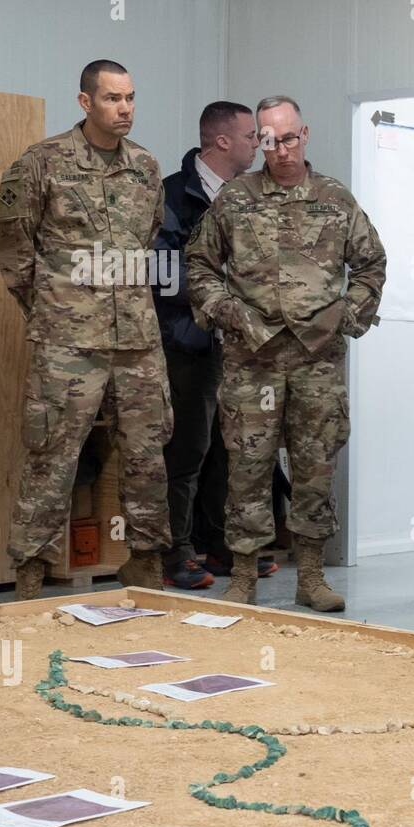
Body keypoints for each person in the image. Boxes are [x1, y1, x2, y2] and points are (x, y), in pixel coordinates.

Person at [187, 95, 387, 609]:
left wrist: (343, 316)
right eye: (269, 139)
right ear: (260, 140)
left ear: (306, 133)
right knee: (247, 468)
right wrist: (231, 314)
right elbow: (200, 267)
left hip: (317, 362)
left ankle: (312, 576)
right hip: (252, 362)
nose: (281, 149)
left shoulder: (336, 200)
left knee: (315, 467)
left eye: (290, 136)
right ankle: (245, 576)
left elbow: (371, 265)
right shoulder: (235, 199)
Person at [0, 59, 170, 598]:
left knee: (147, 453)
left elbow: (148, 242)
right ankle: (29, 572)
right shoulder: (41, 164)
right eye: (113, 98)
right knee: (52, 454)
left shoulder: (146, 167)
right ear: (85, 102)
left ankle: (145, 562)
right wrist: (56, 310)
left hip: (138, 340)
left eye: (131, 98)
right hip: (68, 342)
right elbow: (14, 254)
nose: (125, 109)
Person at [153, 100, 261, 590]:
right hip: (187, 342)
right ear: (222, 142)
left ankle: (217, 546)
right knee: (187, 451)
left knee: (228, 450)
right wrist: (219, 296)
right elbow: (160, 272)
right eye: (250, 136)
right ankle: (176, 554)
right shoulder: (175, 195)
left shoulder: (249, 197)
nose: (258, 144)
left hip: (237, 348)